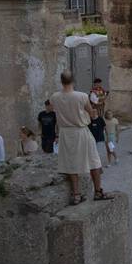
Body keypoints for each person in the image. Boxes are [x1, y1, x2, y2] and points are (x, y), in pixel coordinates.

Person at [51, 71, 109, 205]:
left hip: (65, 132)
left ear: (61, 81)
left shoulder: (54, 97)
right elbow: (93, 114)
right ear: (73, 81)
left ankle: (76, 194)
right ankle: (98, 191)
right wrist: (91, 113)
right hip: (81, 131)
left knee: (71, 164)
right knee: (94, 160)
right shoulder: (82, 96)